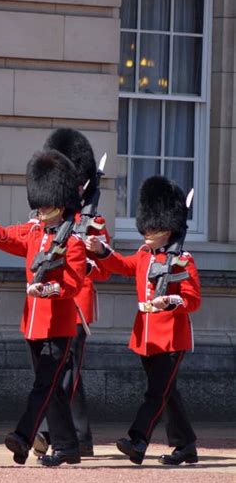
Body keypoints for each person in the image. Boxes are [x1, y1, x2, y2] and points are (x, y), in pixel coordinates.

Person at [86, 176, 200, 466]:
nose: (147, 231)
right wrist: (102, 251)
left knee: (155, 393)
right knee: (166, 393)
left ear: (167, 228)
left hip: (171, 337)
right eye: (147, 226)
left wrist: (171, 301)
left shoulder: (182, 260)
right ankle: (186, 445)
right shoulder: (144, 255)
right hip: (146, 336)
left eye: (154, 227)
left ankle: (137, 441)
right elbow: (123, 266)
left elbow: (193, 299)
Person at [0, 150, 87, 467]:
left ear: (60, 204)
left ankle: (23, 436)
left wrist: (48, 290)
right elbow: (6, 237)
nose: (41, 209)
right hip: (33, 324)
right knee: (52, 389)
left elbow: (73, 283)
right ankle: (68, 447)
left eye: (46, 204)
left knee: (44, 385)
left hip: (57, 325)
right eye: (39, 204)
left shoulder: (73, 243)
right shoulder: (34, 233)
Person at [33, 128, 110, 459]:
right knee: (60, 371)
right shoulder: (47, 220)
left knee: (66, 372)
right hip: (50, 303)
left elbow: (104, 270)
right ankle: (80, 436)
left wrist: (90, 257)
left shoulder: (93, 221)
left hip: (77, 304)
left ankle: (49, 430)